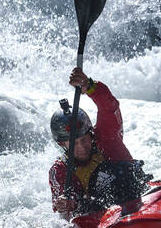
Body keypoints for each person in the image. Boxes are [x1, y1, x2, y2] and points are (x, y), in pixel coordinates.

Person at [48, 68, 146, 217]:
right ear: (62, 144)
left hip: (132, 193)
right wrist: (66, 203)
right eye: (74, 143)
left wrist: (90, 86)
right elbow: (61, 201)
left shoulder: (106, 138)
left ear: (90, 133)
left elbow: (110, 107)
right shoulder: (60, 170)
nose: (81, 147)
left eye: (84, 139)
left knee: (114, 169)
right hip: (96, 214)